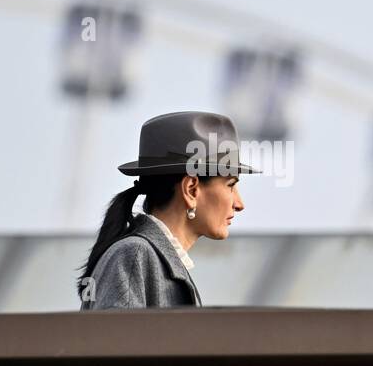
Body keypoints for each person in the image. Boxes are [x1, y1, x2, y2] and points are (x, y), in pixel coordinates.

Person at [78, 111, 251, 309]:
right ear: (191, 189)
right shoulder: (135, 255)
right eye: (230, 185)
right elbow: (118, 339)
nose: (239, 203)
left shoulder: (146, 258)